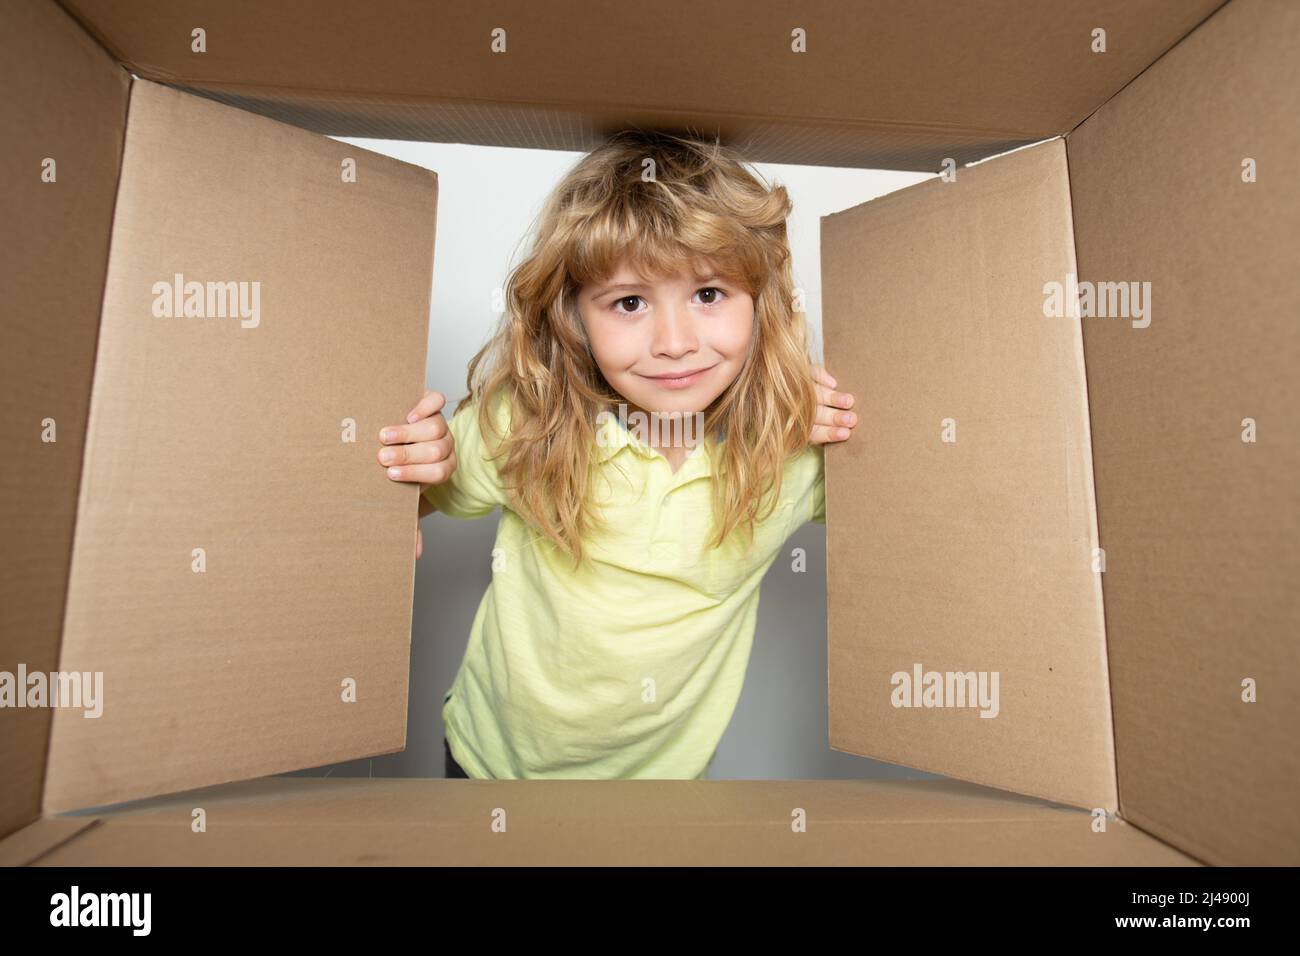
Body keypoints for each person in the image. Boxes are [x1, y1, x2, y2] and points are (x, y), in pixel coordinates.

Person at [378, 130, 858, 779]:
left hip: (658, 793)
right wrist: (411, 481)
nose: (675, 342)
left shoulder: (791, 457)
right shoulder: (526, 424)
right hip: (491, 763)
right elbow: (414, 499)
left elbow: (914, 502)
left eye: (709, 294)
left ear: (762, 303)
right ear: (574, 316)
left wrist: (858, 424)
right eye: (629, 302)